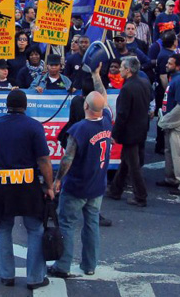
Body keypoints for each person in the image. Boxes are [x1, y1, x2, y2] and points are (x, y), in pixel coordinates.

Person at [0, 89, 54, 290]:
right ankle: (35, 278)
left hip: (2, 181)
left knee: (4, 228)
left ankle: (6, 275)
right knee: (35, 229)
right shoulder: (33, 126)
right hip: (27, 182)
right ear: (25, 106)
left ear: (7, 105)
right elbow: (43, 160)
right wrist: (49, 186)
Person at [48, 67, 113, 278]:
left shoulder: (79, 129)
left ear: (85, 105)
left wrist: (58, 180)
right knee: (92, 224)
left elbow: (67, 158)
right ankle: (89, 264)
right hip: (97, 184)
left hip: (77, 185)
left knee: (67, 223)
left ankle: (63, 265)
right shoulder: (106, 121)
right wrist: (96, 76)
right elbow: (102, 96)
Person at [107, 56, 151, 206]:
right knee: (126, 162)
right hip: (142, 128)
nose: (119, 70)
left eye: (121, 68)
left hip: (130, 132)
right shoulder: (145, 82)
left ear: (128, 70)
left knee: (133, 165)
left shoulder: (127, 88)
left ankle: (141, 196)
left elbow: (122, 114)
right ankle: (115, 189)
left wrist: (115, 134)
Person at [156, 54, 180, 195]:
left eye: (170, 63)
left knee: (179, 153)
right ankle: (171, 178)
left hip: (176, 123)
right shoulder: (174, 79)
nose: (167, 65)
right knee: (169, 151)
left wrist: (166, 120)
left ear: (178, 66)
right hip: (171, 122)